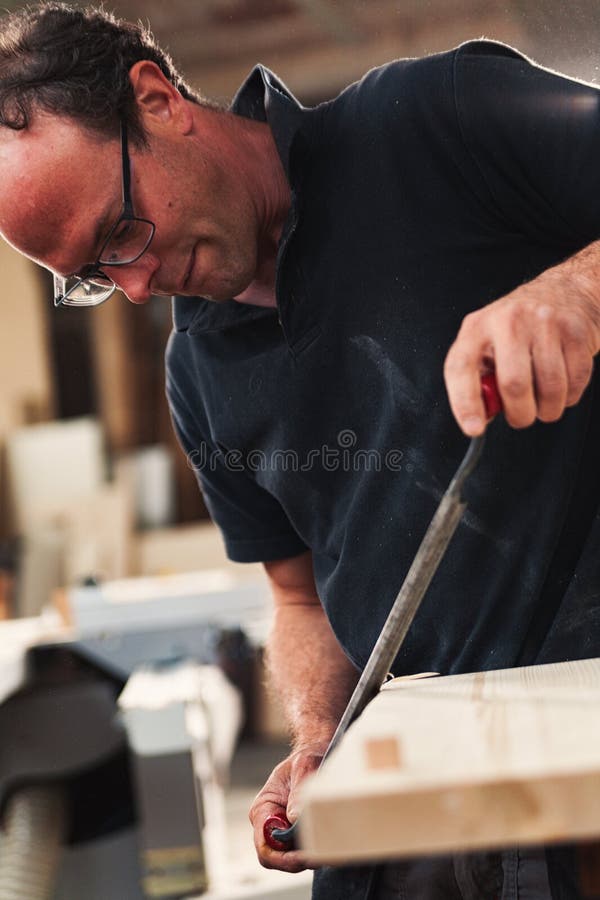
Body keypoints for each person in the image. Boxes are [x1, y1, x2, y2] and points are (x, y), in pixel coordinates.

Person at [0, 3, 599, 897]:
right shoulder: (195, 370)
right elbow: (298, 594)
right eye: (91, 279)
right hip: (419, 798)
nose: (132, 289)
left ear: (157, 99)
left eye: (119, 233)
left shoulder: (435, 120)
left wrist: (577, 289)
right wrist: (317, 738)